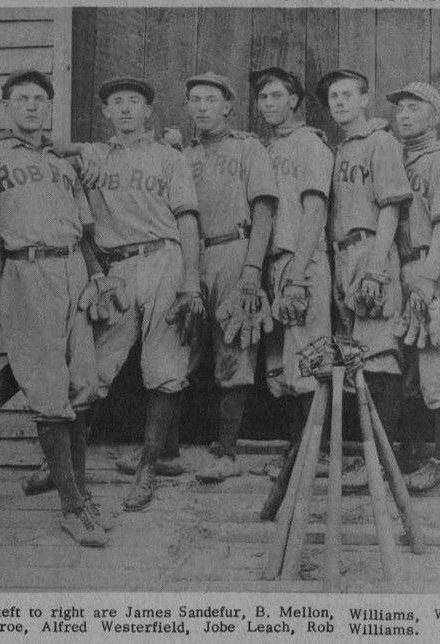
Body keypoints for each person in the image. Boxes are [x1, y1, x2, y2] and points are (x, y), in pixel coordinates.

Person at [0, 69, 108, 546]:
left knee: (84, 385)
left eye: (40, 99)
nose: (32, 106)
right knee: (46, 387)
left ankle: (78, 491)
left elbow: (83, 228)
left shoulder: (62, 162)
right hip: (27, 272)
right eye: (22, 99)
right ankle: (72, 507)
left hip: (73, 272)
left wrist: (97, 273)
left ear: (49, 107)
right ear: (7, 107)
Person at [72, 76, 203, 511]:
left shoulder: (168, 156)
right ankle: (68, 464)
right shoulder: (93, 155)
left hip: (165, 258)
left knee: (163, 365)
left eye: (134, 101)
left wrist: (190, 281)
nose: (125, 108)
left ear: (148, 111)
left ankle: (148, 469)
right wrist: (77, 157)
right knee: (96, 362)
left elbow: (187, 222)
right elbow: (48, 148)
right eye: (116, 102)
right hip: (117, 268)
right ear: (106, 111)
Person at [314, 69, 413, 487]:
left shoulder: (381, 141)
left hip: (372, 247)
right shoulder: (339, 149)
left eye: (347, 94)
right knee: (355, 354)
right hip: (343, 253)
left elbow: (391, 207)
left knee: (379, 355)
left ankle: (383, 462)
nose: (339, 102)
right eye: (333, 96)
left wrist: (375, 269)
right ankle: (371, 458)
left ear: (365, 99)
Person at [181, 72, 279, 483]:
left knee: (235, 349)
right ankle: (165, 451)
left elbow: (264, 209)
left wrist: (252, 270)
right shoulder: (180, 154)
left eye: (210, 99)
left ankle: (227, 452)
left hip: (233, 250)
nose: (202, 107)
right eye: (195, 100)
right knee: (176, 349)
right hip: (188, 255)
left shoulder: (248, 148)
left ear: (227, 107)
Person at [248, 67, 334, 478]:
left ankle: (311, 454)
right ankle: (295, 451)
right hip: (275, 263)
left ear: (295, 100)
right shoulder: (266, 147)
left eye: (277, 96)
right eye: (263, 97)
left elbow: (315, 211)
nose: (269, 104)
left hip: (304, 261)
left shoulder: (309, 144)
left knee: (307, 358)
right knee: (281, 364)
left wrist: (298, 275)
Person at [384, 82, 440, 491]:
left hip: (429, 264)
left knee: (437, 365)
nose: (404, 115)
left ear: (433, 116)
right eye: (400, 108)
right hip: (400, 269)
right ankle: (411, 451)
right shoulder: (396, 155)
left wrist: (429, 277)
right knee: (406, 367)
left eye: (413, 108)